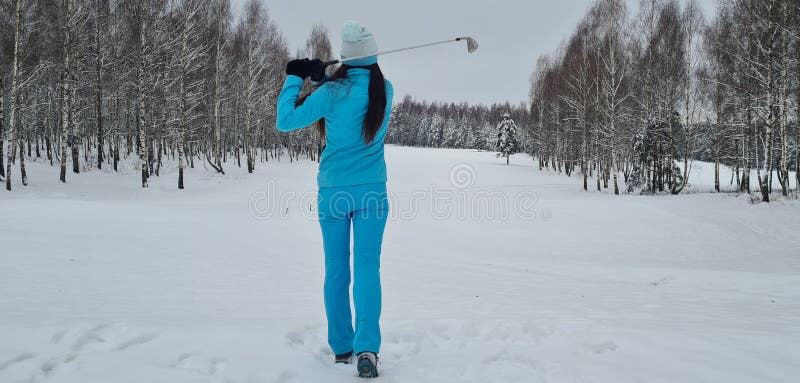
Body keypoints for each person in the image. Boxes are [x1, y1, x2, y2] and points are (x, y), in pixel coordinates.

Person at [276, 21, 393, 379]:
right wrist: (326, 75)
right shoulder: (385, 90)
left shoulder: (330, 94)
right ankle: (367, 349)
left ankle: (343, 346)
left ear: (345, 56)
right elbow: (355, 85)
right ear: (372, 56)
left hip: (334, 194)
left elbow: (286, 120)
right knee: (368, 268)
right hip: (372, 191)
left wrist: (298, 77)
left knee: (337, 269)